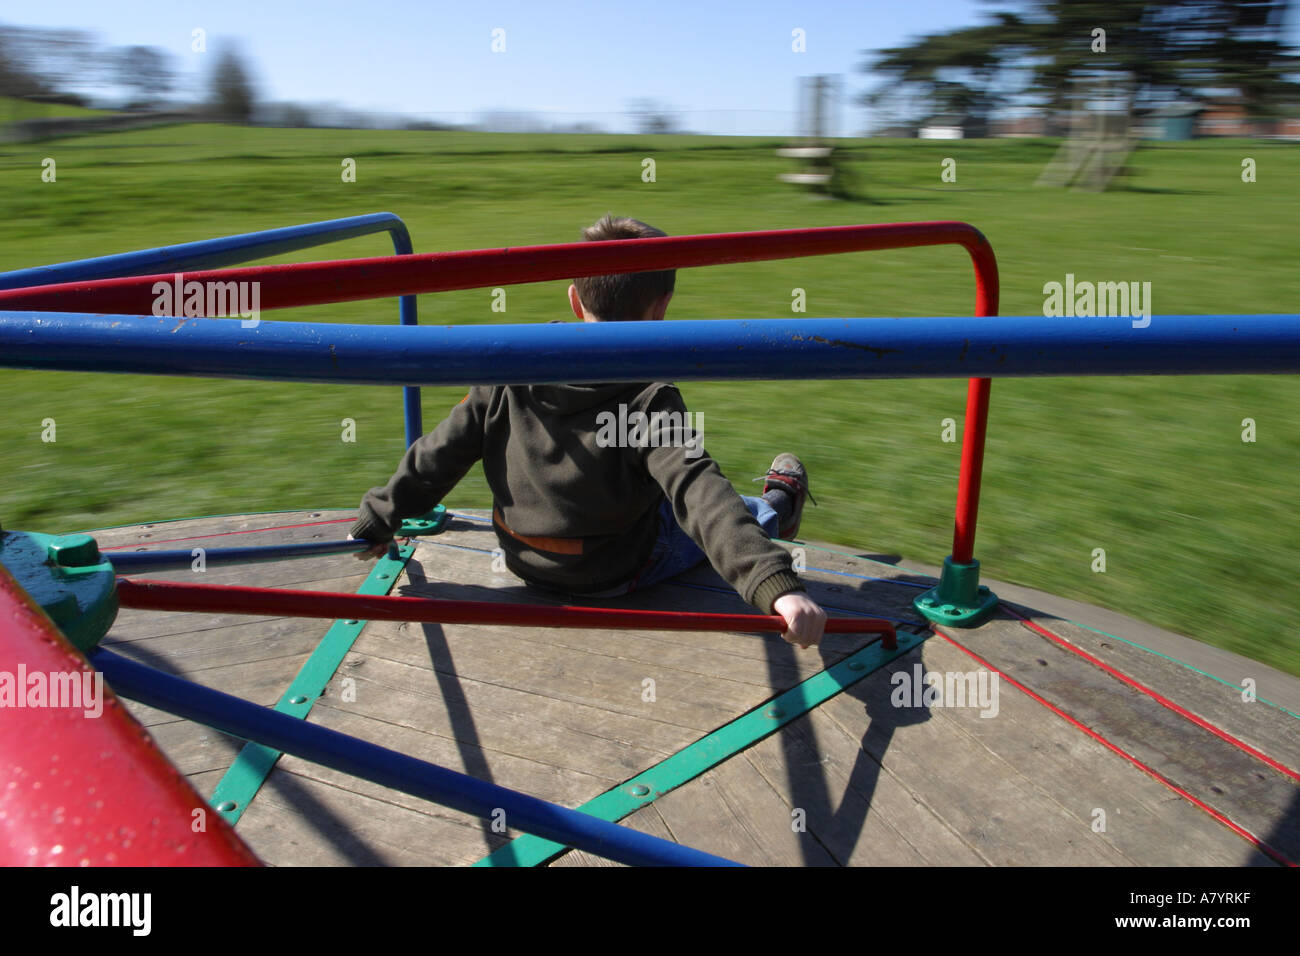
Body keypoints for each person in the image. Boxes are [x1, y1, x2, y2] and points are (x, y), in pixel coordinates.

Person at [349, 214, 827, 648]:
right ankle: (775, 511)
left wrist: (381, 513)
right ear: (661, 309)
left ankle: (762, 517)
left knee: (682, 500)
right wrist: (775, 586)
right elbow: (698, 491)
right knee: (721, 510)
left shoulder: (510, 369)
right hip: (612, 573)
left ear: (575, 300)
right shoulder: (647, 396)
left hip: (521, 558)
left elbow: (440, 451)